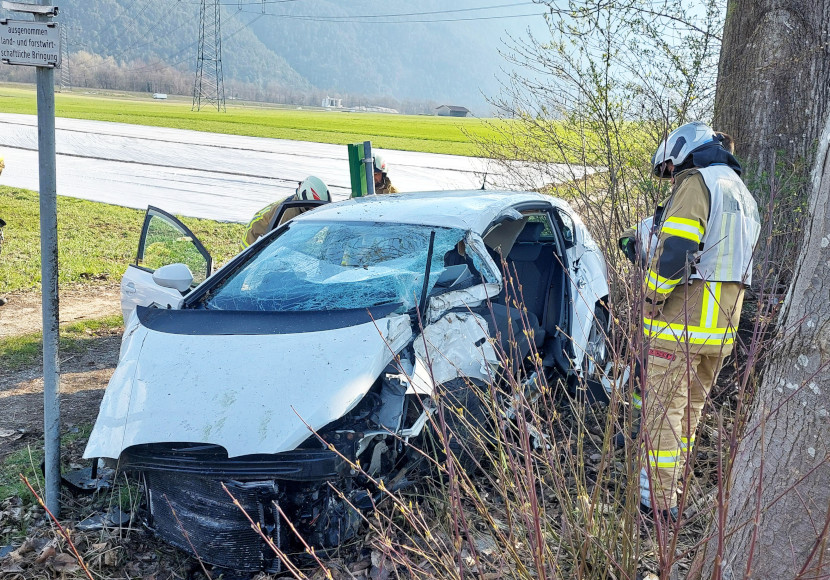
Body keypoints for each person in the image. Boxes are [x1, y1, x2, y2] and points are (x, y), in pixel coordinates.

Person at [635, 121, 760, 521]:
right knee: (687, 413)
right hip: (721, 330)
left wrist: (652, 296)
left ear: (682, 152)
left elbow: (677, 251)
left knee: (661, 415)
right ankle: (670, 495)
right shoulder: (741, 192)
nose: (672, 179)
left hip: (681, 325)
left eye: (670, 170)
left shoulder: (696, 182)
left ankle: (654, 505)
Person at [242, 176, 330, 248]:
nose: (315, 212)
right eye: (312, 208)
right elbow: (279, 243)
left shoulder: (298, 205)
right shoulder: (289, 213)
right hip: (254, 238)